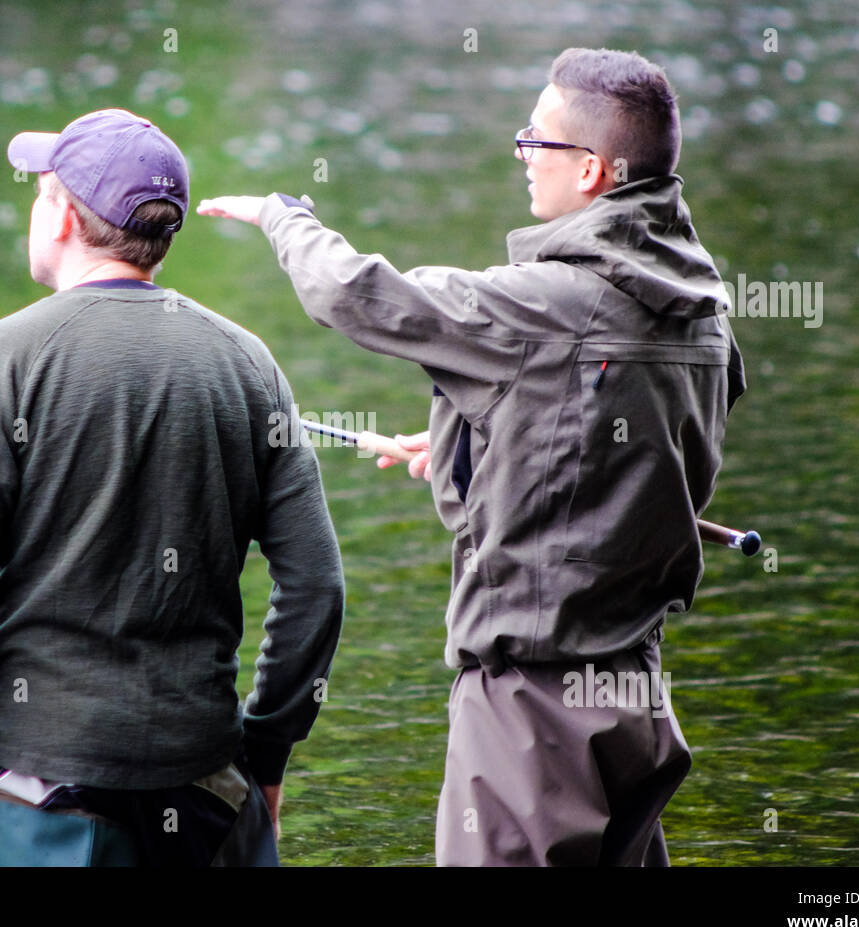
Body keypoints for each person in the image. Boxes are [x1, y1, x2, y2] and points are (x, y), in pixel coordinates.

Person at [198, 47, 745, 866]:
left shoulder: (542, 304)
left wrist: (285, 217)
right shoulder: (704, 313)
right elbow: (630, 436)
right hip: (634, 702)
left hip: (531, 710)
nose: (522, 153)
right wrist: (488, 439)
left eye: (537, 140)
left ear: (592, 169)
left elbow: (357, 293)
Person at [0, 108, 345, 867]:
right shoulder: (248, 361)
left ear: (64, 214)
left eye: (40, 193)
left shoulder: (2, 358)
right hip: (208, 791)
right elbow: (317, 588)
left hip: (35, 792)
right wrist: (264, 755)